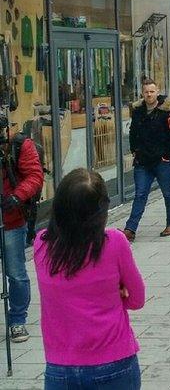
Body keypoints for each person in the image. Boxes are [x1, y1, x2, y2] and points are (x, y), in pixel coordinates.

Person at [35, 168, 145, 388]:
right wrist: (114, 294)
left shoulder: (42, 244)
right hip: (114, 362)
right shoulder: (114, 242)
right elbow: (137, 299)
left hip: (60, 367)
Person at [124, 79, 170, 241]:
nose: (149, 94)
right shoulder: (138, 111)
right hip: (143, 162)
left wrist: (166, 155)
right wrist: (134, 151)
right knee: (140, 194)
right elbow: (133, 132)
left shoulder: (168, 111)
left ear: (157, 92)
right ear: (142, 93)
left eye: (152, 91)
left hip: (162, 161)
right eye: (146, 92)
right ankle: (130, 229)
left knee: (167, 192)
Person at [0, 123, 43, 344]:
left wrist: (17, 196)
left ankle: (17, 320)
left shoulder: (19, 144)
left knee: (15, 273)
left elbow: (35, 176)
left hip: (11, 220)